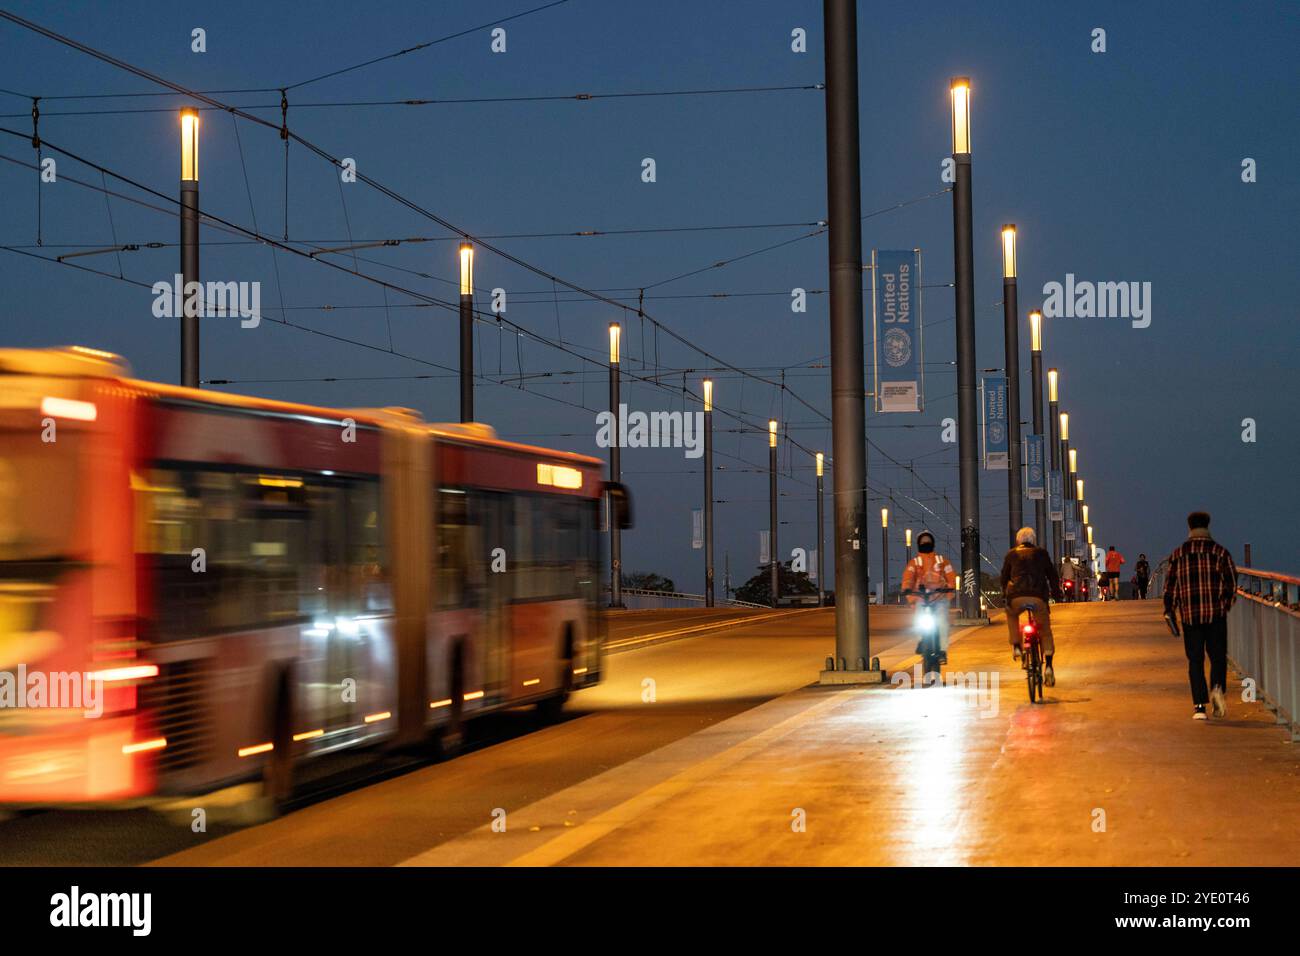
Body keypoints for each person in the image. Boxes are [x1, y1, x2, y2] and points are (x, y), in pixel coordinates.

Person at [1163, 512, 1237, 720]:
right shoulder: (1220, 552)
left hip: (1190, 616)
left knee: (1195, 660)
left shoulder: (1178, 554)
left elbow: (1170, 587)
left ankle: (1199, 707)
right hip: (1216, 614)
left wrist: (1170, 608)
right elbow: (1231, 581)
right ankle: (1217, 690)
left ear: (1189, 528)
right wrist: (1226, 604)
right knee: (1217, 657)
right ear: (1208, 526)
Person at [1000, 527, 1063, 686]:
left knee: (1012, 614)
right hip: (1038, 597)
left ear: (1018, 541)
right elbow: (1052, 576)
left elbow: (1004, 577)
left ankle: (1016, 645)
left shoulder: (1011, 554)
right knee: (1045, 631)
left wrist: (1004, 595)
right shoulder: (1041, 554)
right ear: (1033, 540)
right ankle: (1048, 666)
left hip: (1016, 597)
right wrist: (1057, 595)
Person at [901, 530, 957, 665]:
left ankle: (942, 650)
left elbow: (951, 577)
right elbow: (908, 578)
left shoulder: (942, 561)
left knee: (942, 622)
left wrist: (949, 589)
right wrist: (908, 591)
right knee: (917, 620)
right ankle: (921, 639)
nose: (925, 543)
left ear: (932, 544)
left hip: (940, 598)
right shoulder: (914, 563)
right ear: (919, 544)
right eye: (923, 542)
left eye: (928, 541)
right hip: (922, 599)